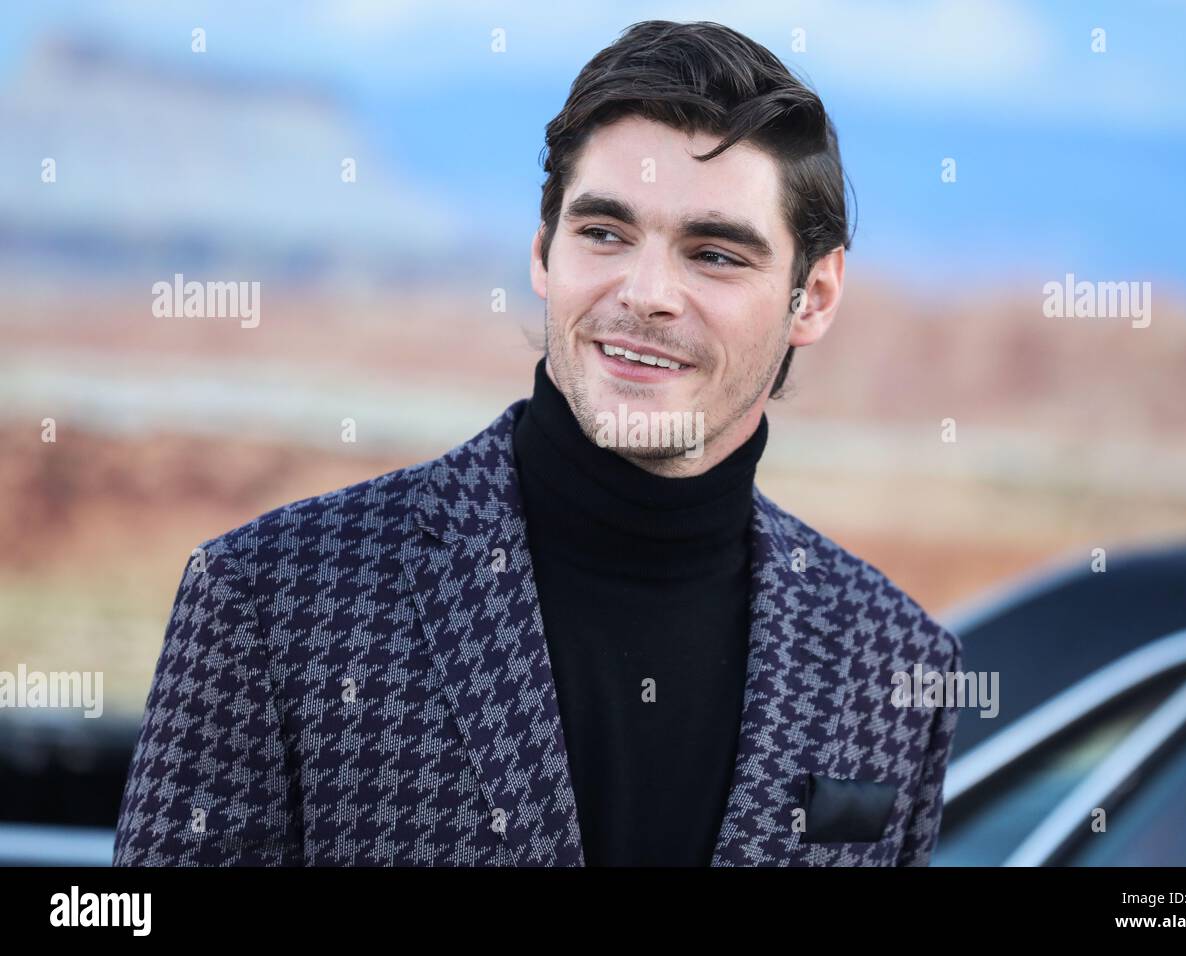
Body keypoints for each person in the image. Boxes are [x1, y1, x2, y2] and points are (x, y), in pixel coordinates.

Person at [113, 19, 963, 867]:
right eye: (605, 233)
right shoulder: (271, 600)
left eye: (714, 254)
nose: (647, 293)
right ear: (544, 254)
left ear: (812, 296)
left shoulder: (894, 661)